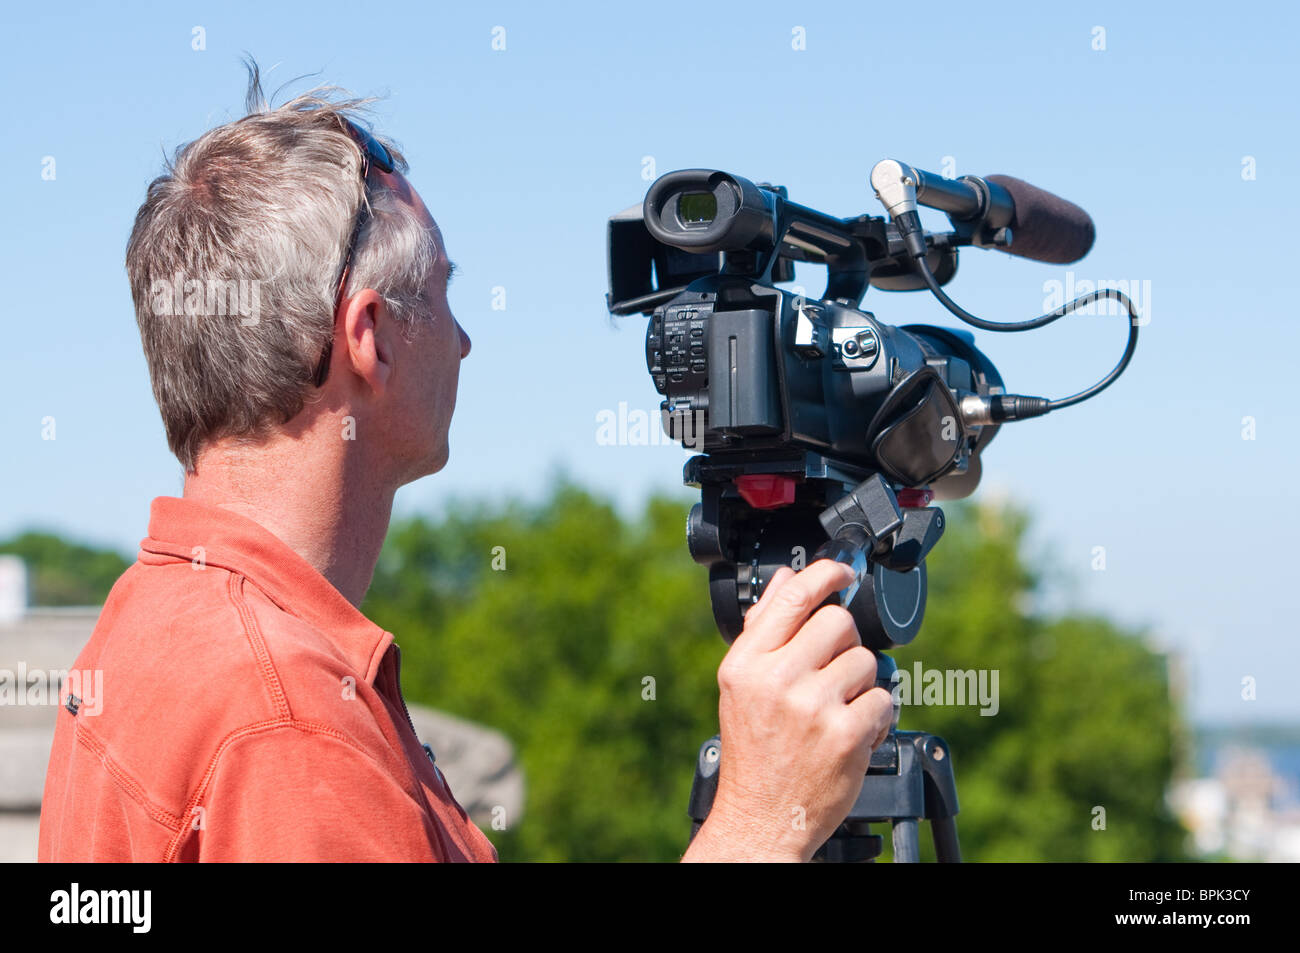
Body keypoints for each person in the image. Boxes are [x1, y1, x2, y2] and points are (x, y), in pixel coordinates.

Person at [38, 66, 894, 862]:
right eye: (444, 294)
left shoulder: (152, 615)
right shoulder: (290, 725)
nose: (466, 342)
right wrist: (754, 824)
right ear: (368, 338)